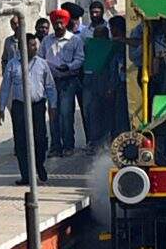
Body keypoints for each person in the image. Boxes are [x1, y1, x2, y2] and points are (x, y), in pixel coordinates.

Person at [0, 33, 56, 185]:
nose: (35, 48)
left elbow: (50, 86)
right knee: (21, 141)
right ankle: (26, 175)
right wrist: (2, 107)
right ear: (23, 47)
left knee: (40, 138)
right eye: (31, 45)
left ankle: (39, 164)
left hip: (37, 106)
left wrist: (53, 105)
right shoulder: (12, 64)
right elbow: (5, 87)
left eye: (35, 44)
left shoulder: (42, 64)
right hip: (20, 106)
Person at [40, 9, 84, 157]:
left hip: (68, 80)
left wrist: (69, 66)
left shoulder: (75, 40)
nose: (58, 25)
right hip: (51, 82)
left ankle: (68, 145)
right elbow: (40, 59)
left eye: (61, 22)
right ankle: (55, 146)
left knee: (66, 114)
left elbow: (80, 59)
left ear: (66, 23)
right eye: (56, 22)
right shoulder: (47, 41)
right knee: (53, 115)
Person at [81, 25, 115, 154]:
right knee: (91, 113)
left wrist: (110, 86)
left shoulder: (110, 47)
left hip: (105, 84)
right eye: (96, 35)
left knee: (106, 114)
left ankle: (105, 142)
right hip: (91, 84)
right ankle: (94, 142)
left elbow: (112, 68)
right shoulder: (89, 46)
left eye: (100, 36)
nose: (97, 38)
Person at [108, 16, 131, 138]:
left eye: (112, 28)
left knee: (122, 113)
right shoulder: (113, 43)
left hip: (126, 82)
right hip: (117, 82)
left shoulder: (124, 43)